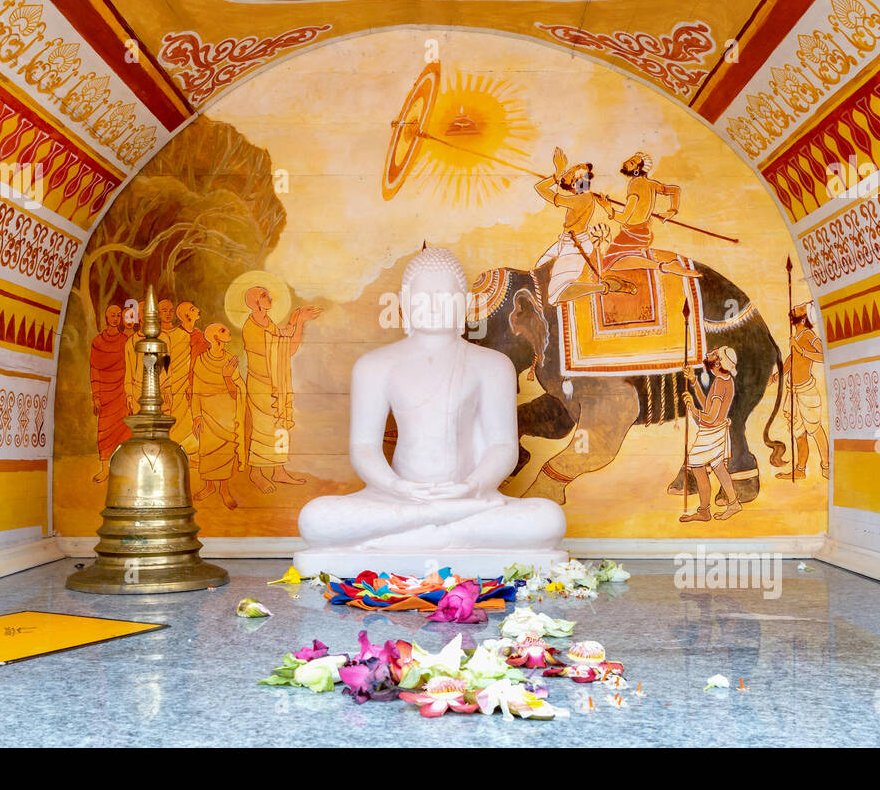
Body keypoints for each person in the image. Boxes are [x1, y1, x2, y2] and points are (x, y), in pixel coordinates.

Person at [294, 246, 566, 577]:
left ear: (464, 303)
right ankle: (437, 527)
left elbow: (502, 447)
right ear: (406, 302)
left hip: (469, 498)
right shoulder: (375, 366)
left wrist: (471, 487)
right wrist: (397, 489)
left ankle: (407, 535)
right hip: (396, 499)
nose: (435, 307)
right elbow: (364, 448)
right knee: (315, 518)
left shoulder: (493, 366)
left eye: (446, 297)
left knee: (548, 519)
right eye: (424, 297)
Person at [241, 286, 321, 493]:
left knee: (280, 426)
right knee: (262, 429)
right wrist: (293, 323)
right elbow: (277, 348)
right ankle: (256, 473)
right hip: (260, 385)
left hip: (276, 385)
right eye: (264, 296)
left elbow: (287, 349)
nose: (270, 298)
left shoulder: (269, 324)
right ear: (255, 302)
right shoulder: (250, 327)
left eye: (268, 294)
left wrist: (299, 323)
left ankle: (279, 470)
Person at [533, 147, 624, 305]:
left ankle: (601, 287)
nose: (586, 181)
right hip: (567, 241)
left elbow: (540, 188)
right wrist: (559, 174)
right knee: (538, 269)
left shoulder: (582, 198)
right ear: (573, 184)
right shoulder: (582, 197)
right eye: (581, 177)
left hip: (577, 246)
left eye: (586, 177)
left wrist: (558, 172)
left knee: (554, 296)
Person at [603, 151, 700, 277]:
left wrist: (607, 208)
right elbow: (675, 190)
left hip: (632, 234)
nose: (626, 163)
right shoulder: (651, 184)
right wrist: (672, 210)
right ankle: (664, 266)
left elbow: (624, 217)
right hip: (642, 232)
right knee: (613, 261)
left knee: (609, 263)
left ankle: (665, 266)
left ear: (637, 169)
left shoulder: (635, 184)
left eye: (631, 162)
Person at [680, 346, 742, 523]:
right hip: (717, 430)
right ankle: (734, 503)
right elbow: (708, 407)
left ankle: (704, 511)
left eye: (714, 354)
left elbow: (710, 417)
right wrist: (693, 381)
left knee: (698, 467)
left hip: (711, 432)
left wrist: (692, 408)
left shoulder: (721, 384)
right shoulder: (723, 379)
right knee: (719, 468)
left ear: (718, 363)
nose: (709, 354)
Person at [771, 301, 830, 479]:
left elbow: (824, 355)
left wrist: (802, 350)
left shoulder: (808, 335)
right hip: (793, 391)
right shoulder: (797, 335)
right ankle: (800, 469)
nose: (797, 307)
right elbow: (792, 358)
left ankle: (827, 466)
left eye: (802, 308)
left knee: (815, 429)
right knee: (799, 433)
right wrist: (776, 376)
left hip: (806, 391)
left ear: (804, 318)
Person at [191, 323, 246, 509]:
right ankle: (209, 487)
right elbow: (196, 391)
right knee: (207, 452)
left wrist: (227, 377)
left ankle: (224, 490)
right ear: (214, 337)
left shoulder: (230, 360)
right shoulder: (200, 361)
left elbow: (238, 392)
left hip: (226, 416)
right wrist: (197, 416)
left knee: (225, 453)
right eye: (222, 331)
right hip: (207, 415)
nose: (228, 332)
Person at [89, 304, 132, 482]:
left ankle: (125, 468)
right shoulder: (98, 342)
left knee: (125, 430)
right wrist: (96, 396)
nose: (115, 318)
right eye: (112, 315)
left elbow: (131, 366)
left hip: (122, 391)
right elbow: (94, 369)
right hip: (106, 393)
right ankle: (105, 469)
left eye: (118, 315)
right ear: (106, 318)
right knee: (104, 431)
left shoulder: (126, 340)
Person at [159, 298, 197, 453]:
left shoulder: (183, 335)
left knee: (185, 420)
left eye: (170, 310)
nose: (168, 314)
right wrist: (164, 386)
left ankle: (185, 453)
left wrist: (189, 384)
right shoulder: (156, 337)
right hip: (164, 387)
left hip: (182, 387)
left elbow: (188, 363)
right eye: (164, 310)